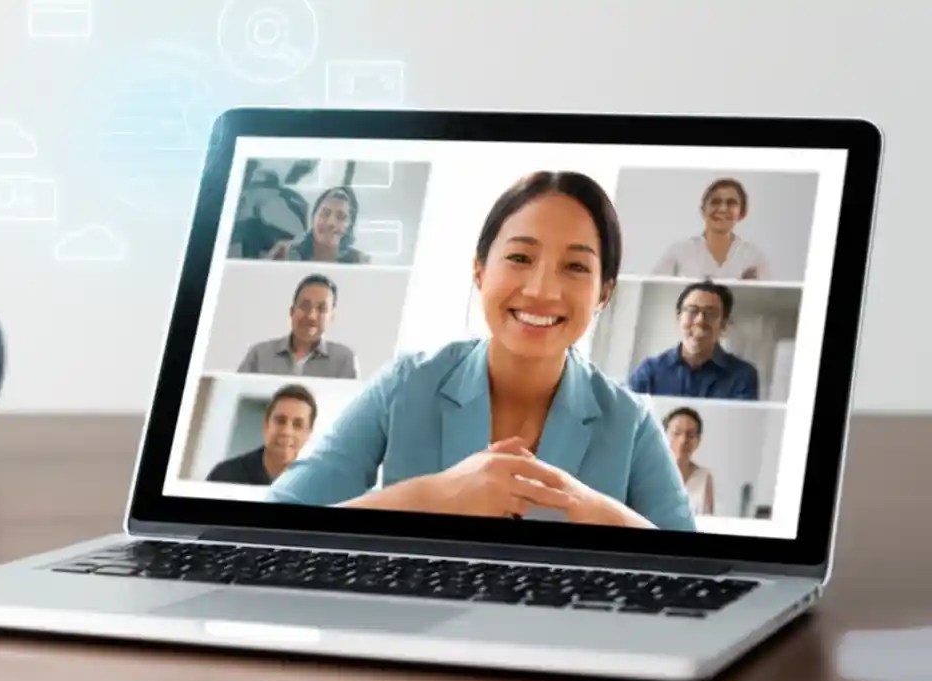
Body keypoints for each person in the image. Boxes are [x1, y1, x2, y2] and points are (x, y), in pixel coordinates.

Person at [266, 171, 696, 531]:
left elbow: (701, 576)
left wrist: (593, 510)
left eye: (576, 267)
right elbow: (268, 529)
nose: (541, 290)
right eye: (520, 257)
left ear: (604, 293)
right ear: (479, 270)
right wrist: (430, 496)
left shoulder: (631, 423)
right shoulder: (408, 383)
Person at [628, 281, 760, 400]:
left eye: (711, 313)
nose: (700, 320)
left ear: (724, 324)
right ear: (679, 318)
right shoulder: (649, 371)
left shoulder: (742, 376)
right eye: (692, 311)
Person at [237, 274, 359, 379]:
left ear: (332, 317)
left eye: (321, 308)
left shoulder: (344, 360)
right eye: (305, 306)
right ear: (291, 311)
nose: (311, 316)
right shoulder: (259, 354)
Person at [651, 178, 770, 280]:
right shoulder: (680, 252)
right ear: (703, 209)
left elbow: (768, 297)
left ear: (742, 213)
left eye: (731, 203)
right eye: (715, 202)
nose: (723, 209)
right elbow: (655, 289)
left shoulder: (753, 257)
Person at [206, 384, 318, 486]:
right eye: (280, 421)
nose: (286, 431)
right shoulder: (224, 476)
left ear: (308, 433)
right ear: (266, 424)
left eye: (298, 425)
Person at [265, 186, 371, 264]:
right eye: (325, 213)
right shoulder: (285, 253)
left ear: (350, 226)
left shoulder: (359, 262)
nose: (331, 223)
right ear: (313, 218)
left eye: (341, 217)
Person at [663, 407, 715, 516]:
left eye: (690, 435)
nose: (683, 441)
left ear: (698, 440)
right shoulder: (648, 474)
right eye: (676, 433)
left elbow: (709, 521)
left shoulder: (704, 477)